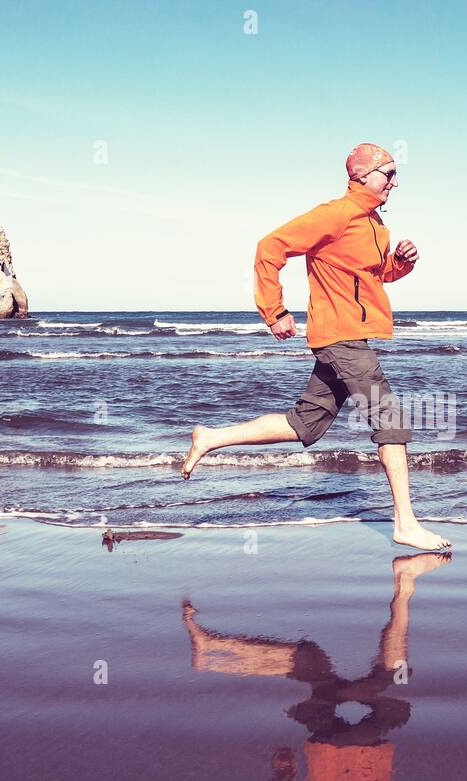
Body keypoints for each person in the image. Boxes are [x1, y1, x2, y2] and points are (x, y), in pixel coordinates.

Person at [181, 142, 450, 551]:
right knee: (390, 420)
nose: (395, 181)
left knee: (305, 424)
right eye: (388, 173)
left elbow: (375, 277)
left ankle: (211, 437)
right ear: (361, 175)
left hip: (347, 336)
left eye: (396, 174)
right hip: (340, 335)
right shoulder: (336, 214)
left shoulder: (374, 222)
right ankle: (406, 524)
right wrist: (274, 312)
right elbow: (269, 247)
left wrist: (402, 261)